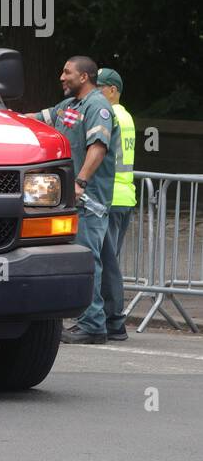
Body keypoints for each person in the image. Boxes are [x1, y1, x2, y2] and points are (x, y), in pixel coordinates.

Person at [29, 55, 119, 344]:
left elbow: (98, 148)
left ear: (84, 77)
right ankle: (110, 322)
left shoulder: (97, 107)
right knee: (98, 257)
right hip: (76, 198)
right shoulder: (70, 106)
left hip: (88, 199)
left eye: (67, 72)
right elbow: (38, 119)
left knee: (88, 257)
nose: (61, 77)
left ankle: (92, 324)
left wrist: (80, 182)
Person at [97, 67, 136, 341]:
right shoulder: (126, 116)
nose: (95, 93)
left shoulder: (109, 115)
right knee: (108, 259)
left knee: (106, 261)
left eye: (100, 88)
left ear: (112, 90)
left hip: (110, 197)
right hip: (124, 197)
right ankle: (108, 318)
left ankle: (114, 321)